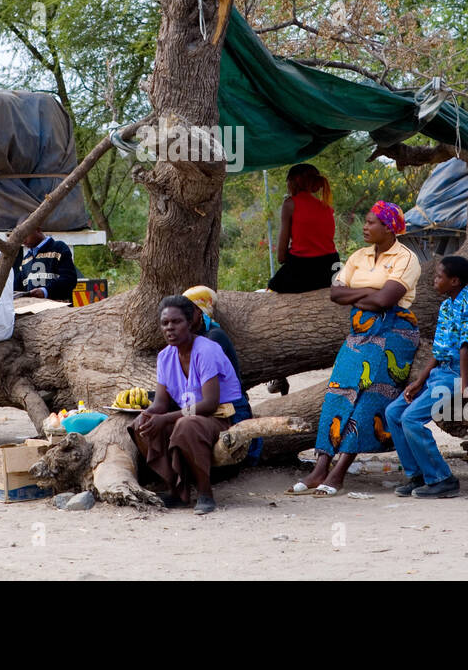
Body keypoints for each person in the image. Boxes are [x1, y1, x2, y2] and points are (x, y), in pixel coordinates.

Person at [289, 200, 421, 497]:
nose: (365, 226)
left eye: (371, 222)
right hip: (359, 332)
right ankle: (320, 467)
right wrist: (371, 293)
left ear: (388, 227)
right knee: (337, 391)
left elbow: (387, 301)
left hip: (394, 334)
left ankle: (339, 472)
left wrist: (362, 296)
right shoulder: (358, 256)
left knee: (368, 400)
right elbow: (336, 293)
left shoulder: (406, 258)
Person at [131, 295, 243, 515]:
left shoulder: (206, 351)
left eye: (176, 322)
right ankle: (177, 490)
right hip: (189, 416)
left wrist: (167, 418)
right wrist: (147, 414)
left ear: (190, 322)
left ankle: (204, 492)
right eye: (165, 323)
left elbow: (210, 404)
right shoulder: (165, 356)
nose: (170, 328)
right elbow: (161, 403)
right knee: (143, 424)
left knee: (185, 425)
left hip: (217, 419)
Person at [385, 254, 468, 499]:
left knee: (411, 419)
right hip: (440, 372)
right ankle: (417, 474)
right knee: (393, 413)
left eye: (439, 276)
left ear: (454, 281)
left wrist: (464, 385)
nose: (434, 280)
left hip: (456, 374)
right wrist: (419, 381)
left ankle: (443, 478)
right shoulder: (446, 305)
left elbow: (465, 345)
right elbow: (439, 351)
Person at [183, 286, 262, 466]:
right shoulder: (197, 336)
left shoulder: (213, 338)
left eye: (186, 310)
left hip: (229, 408)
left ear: (199, 312)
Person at [268, 163, 339, 293]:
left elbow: (281, 256)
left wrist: (286, 260)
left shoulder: (290, 203)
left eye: (287, 181)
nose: (287, 186)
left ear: (296, 181)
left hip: (304, 267)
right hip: (331, 267)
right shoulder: (327, 208)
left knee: (273, 285)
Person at [13, 229, 79, 303]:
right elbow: (17, 287)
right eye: (20, 237)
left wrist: (45, 291)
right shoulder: (26, 260)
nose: (23, 240)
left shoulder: (59, 248)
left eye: (25, 235)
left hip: (60, 310)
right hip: (35, 311)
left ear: (38, 229)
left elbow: (69, 279)